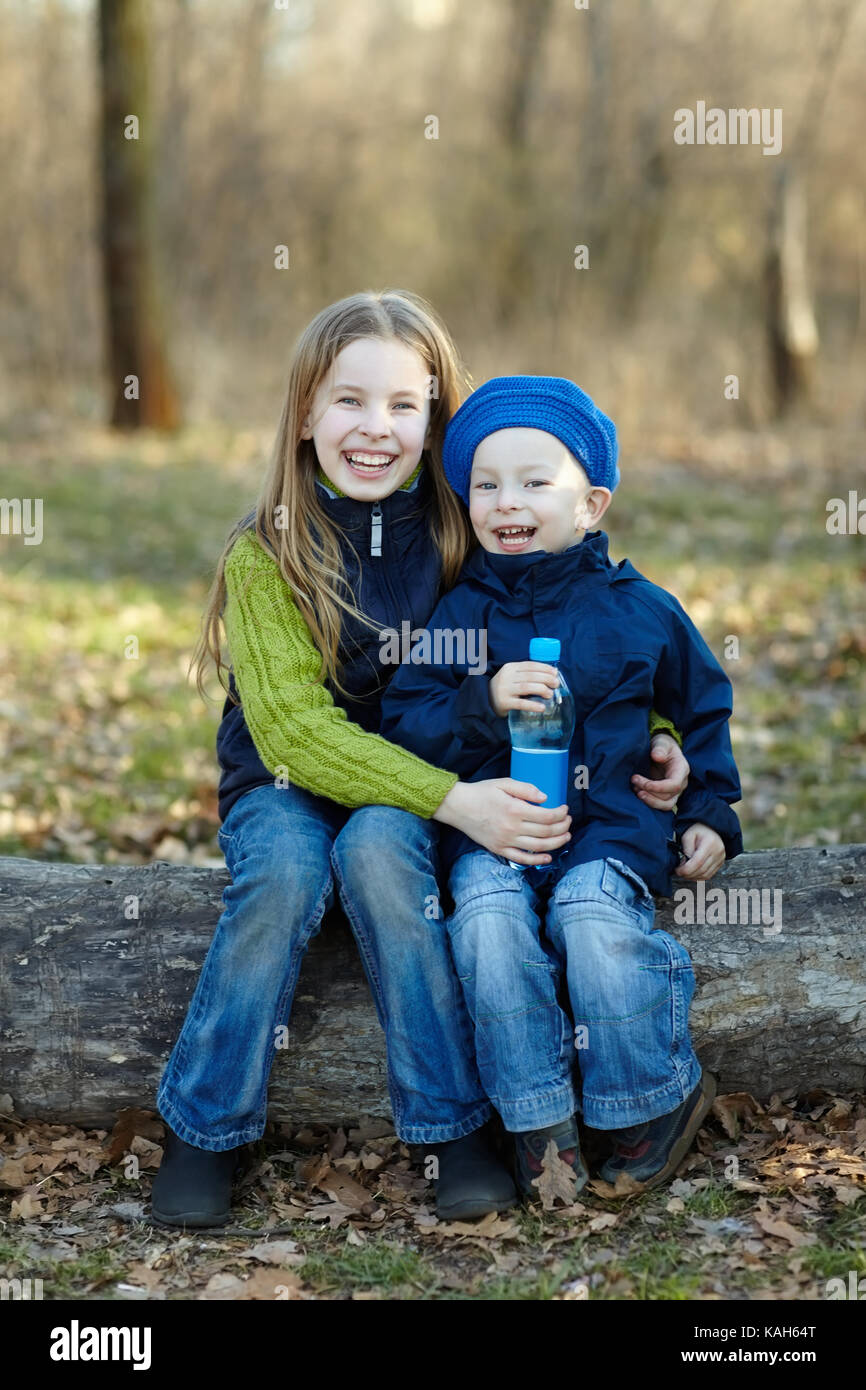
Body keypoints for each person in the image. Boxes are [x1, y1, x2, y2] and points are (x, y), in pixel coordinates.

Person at [151, 296, 690, 1229]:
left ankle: (449, 1128)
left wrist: (660, 734)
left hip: (420, 785)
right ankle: (205, 1129)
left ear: (438, 420)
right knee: (282, 869)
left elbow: (587, 630)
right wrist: (458, 802)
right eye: (348, 402)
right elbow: (295, 738)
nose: (374, 429)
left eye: (405, 405)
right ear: (305, 414)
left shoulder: (464, 525)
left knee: (379, 855)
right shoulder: (267, 551)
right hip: (292, 789)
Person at [379, 375, 743, 1199]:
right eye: (485, 483)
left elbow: (704, 706)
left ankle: (649, 1099)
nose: (507, 500)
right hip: (492, 833)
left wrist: (711, 809)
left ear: (592, 504)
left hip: (610, 832)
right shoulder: (458, 613)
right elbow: (405, 719)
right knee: (488, 924)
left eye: (536, 482)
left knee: (590, 916)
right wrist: (481, 698)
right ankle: (537, 1122)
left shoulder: (639, 609)